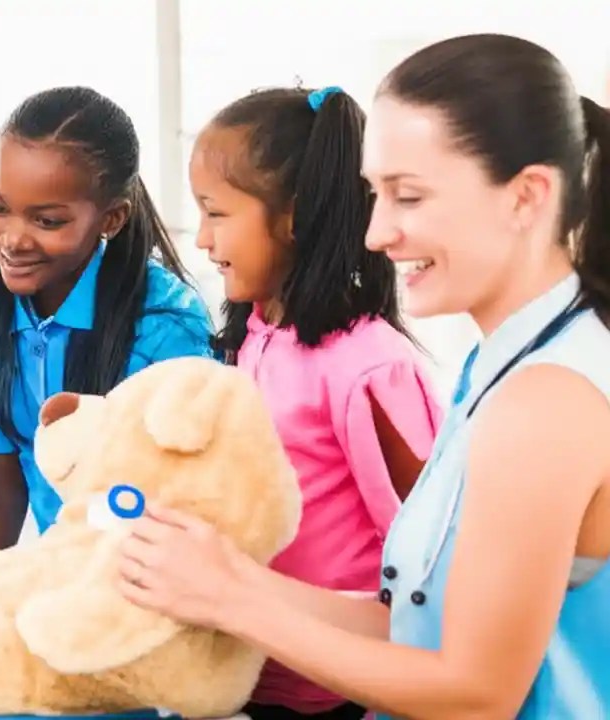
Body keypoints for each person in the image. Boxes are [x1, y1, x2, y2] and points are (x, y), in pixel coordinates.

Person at [118, 34, 610, 720]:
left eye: (408, 197)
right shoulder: (503, 372)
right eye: (376, 196)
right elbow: (414, 628)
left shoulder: (548, 400)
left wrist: (235, 600)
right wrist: (226, 580)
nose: (376, 234)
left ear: (527, 197)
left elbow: (477, 694)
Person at [188, 86, 443, 720]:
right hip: (250, 676)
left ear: (294, 216)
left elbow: (431, 561)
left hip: (335, 694)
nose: (199, 238)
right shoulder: (253, 337)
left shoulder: (371, 367)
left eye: (215, 213)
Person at [0, 86, 216, 555]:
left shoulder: (166, 330)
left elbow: (181, 511)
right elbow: (1, 489)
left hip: (146, 580)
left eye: (47, 221)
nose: (12, 239)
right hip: (55, 584)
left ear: (111, 219)